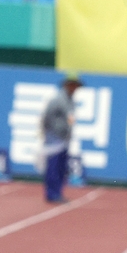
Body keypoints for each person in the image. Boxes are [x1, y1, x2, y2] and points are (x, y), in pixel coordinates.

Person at [40, 75, 82, 203]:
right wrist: (49, 132)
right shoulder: (58, 99)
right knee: (53, 166)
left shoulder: (70, 100)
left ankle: (57, 192)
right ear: (66, 85)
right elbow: (47, 117)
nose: (75, 89)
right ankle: (52, 193)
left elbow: (70, 119)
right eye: (72, 85)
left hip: (64, 138)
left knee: (61, 167)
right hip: (54, 138)